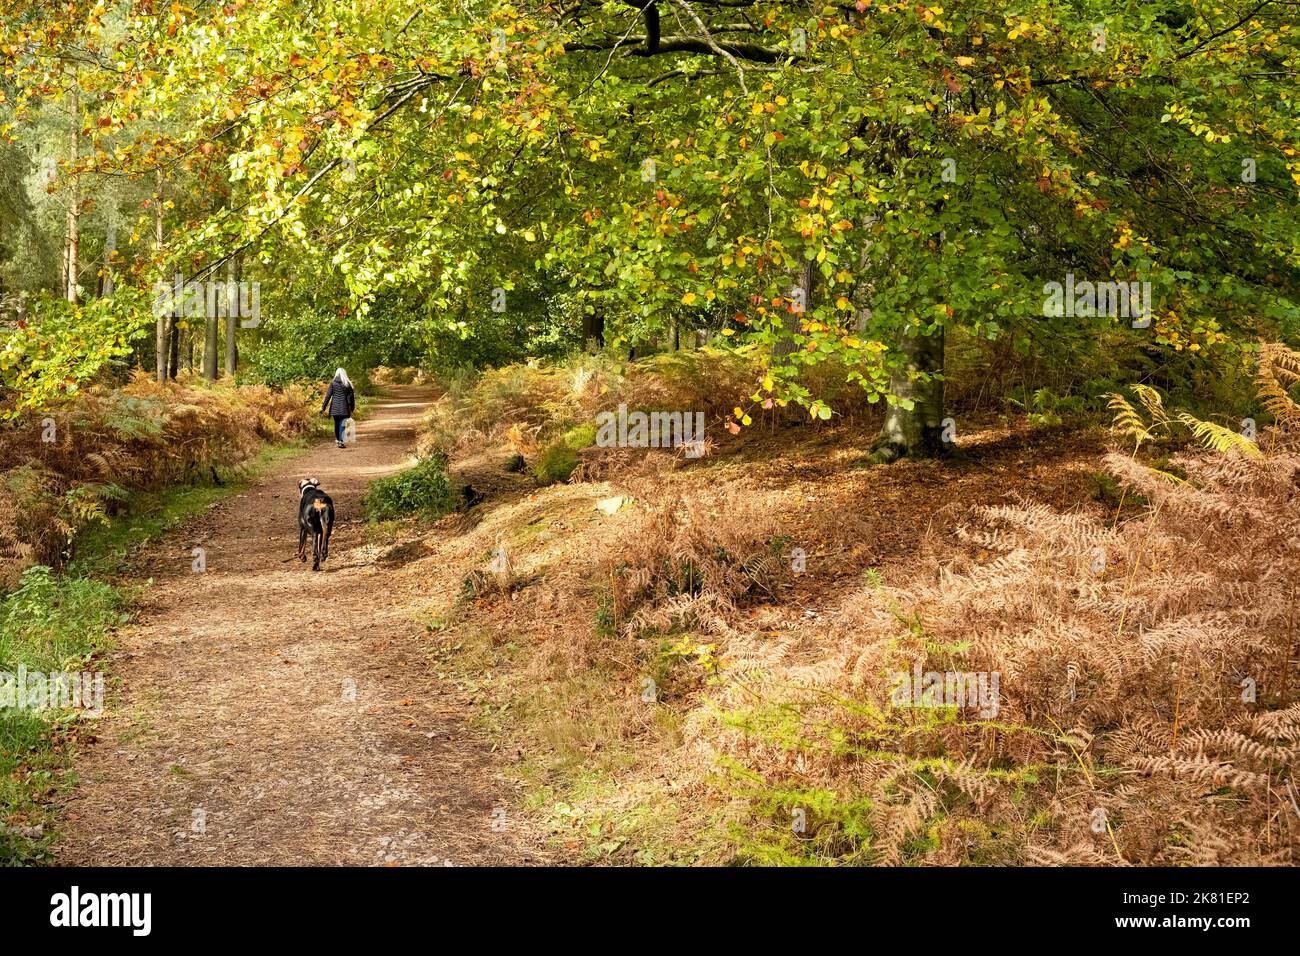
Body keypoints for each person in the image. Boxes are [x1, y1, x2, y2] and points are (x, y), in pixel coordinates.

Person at [320, 367, 356, 448]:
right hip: (344, 407)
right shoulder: (348, 384)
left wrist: (323, 407)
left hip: (334, 408)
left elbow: (328, 396)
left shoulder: (333, 383)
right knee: (342, 424)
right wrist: (352, 407)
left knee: (337, 424)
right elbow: (351, 398)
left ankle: (337, 439)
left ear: (336, 374)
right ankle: (341, 441)